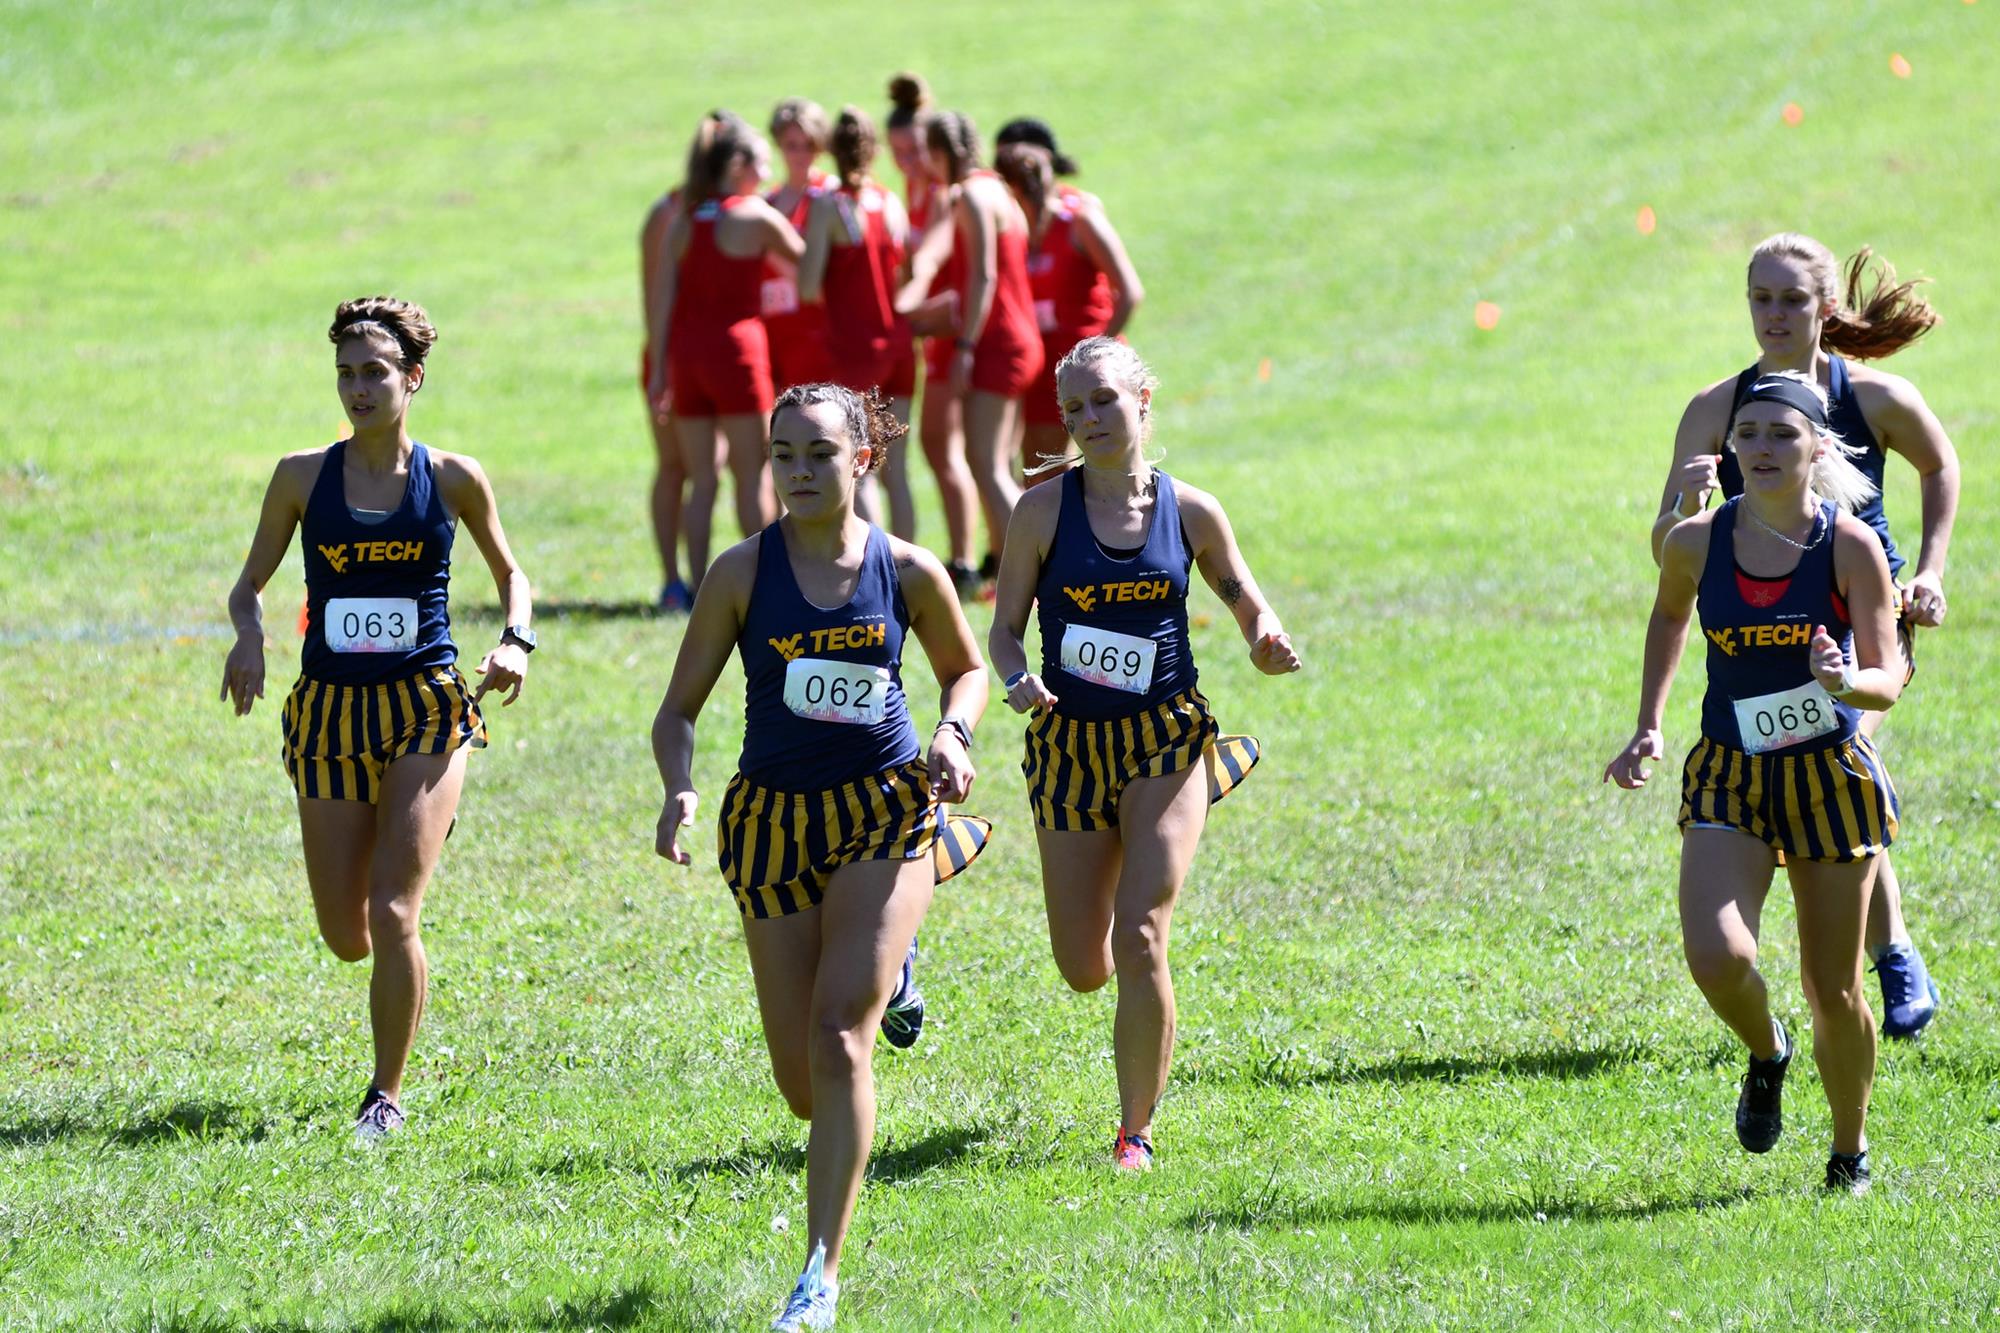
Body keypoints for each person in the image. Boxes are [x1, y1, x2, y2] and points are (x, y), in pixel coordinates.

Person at [651, 384, 989, 1329]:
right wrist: (679, 785)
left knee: (843, 1033)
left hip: (885, 809)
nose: (799, 471)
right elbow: (678, 710)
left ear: (862, 460)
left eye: (819, 454)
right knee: (805, 1087)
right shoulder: (738, 573)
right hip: (770, 825)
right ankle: (896, 953)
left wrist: (955, 735)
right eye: (783, 454)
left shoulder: (909, 570)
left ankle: (819, 1276)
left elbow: (965, 670)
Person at [220, 296, 534, 1142]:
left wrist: (516, 641)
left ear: (413, 378)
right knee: (347, 934)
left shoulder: (455, 477)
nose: (358, 389)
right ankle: (400, 845)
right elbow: (247, 585)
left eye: (375, 372)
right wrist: (248, 636)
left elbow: (515, 577)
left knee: (396, 911)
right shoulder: (300, 477)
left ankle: (384, 1098)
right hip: (327, 716)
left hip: (426, 708)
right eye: (346, 374)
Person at [988, 337, 1300, 1171]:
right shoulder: (1041, 511)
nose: (1089, 419)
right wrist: (1016, 678)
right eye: (1074, 408)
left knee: (1141, 936)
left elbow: (1246, 600)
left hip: (1163, 738)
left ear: (1143, 401)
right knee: (1083, 966)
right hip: (1068, 747)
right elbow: (1004, 630)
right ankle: (1151, 819)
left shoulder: (1191, 511)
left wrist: (1265, 637)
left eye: (1104, 401)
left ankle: (1135, 1133)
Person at [1651, 234, 1959, 1039]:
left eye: (1792, 299)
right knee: (1824, 759)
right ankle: (1872, 955)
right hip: (1760, 636)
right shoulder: (1717, 409)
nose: (1774, 315)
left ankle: (1890, 955)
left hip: (1863, 617)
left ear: (1825, 307)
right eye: (1761, 298)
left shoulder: (1874, 396)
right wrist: (1681, 507)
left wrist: (1928, 570)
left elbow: (1939, 463)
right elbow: (1669, 550)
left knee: (1838, 745)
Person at [1609, 371, 1904, 1193]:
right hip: (1729, 771)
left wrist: (1846, 682)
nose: (1763, 448)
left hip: (1829, 780)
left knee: (1834, 988)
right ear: (1730, 447)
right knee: (1716, 953)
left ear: (1817, 445)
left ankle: (1849, 1151)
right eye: (1749, 434)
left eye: (1782, 433)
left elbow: (1889, 670)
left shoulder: (1850, 545)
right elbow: (1670, 613)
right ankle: (1767, 1050)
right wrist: (1648, 723)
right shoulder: (1697, 539)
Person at [647, 111, 803, 584]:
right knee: (752, 474)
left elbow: (662, 300)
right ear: (737, 164)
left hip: (687, 358)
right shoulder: (755, 214)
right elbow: (810, 262)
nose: (768, 173)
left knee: (703, 480)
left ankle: (697, 586)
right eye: (760, 161)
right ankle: (766, 582)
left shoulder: (686, 217)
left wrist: (659, 372)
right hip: (738, 354)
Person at [907, 109, 1043, 588]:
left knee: (985, 466)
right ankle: (1011, 568)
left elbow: (983, 273)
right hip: (1021, 336)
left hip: (994, 341)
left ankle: (1032, 578)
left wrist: (965, 344)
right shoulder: (999, 190)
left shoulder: (968, 196)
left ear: (941, 153)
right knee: (997, 463)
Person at [993, 120, 1144, 479]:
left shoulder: (1080, 219)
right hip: (1041, 364)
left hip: (1087, 365)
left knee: (1107, 466)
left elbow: (1130, 292)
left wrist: (1096, 352)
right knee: (1039, 469)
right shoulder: (1016, 229)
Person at [799, 105, 917, 541]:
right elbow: (905, 274)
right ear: (875, 150)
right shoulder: (891, 202)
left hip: (854, 351)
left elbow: (808, 285)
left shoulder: (829, 206)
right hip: (899, 347)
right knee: (897, 472)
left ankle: (876, 567)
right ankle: (908, 564)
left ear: (832, 150)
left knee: (860, 469)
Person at [884, 73, 978, 592]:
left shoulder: (948, 195)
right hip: (931, 331)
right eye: (896, 151)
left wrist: (902, 310)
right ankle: (969, 555)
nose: (906, 161)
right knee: (940, 446)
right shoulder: (912, 194)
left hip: (954, 330)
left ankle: (966, 560)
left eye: (915, 150)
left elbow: (936, 265)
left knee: (951, 449)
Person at [639, 185, 722, 612]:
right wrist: (661, 365)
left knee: (745, 469)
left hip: (734, 358)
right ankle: (674, 582)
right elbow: (655, 296)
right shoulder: (669, 213)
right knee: (677, 467)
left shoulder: (749, 207)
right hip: (675, 357)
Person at [762, 98, 838, 393]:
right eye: (791, 145)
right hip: (775, 327)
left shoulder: (829, 195)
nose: (800, 154)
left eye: (809, 145)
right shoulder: (768, 202)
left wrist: (771, 252)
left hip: (815, 329)